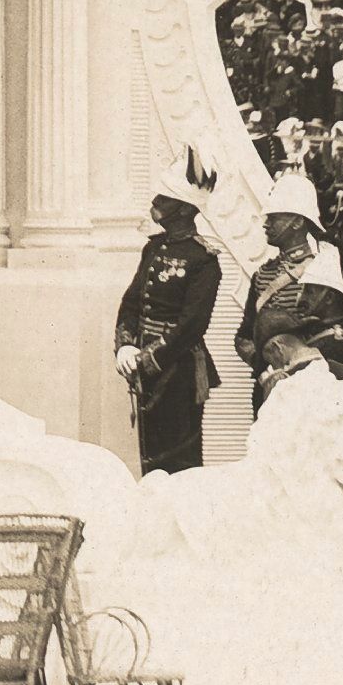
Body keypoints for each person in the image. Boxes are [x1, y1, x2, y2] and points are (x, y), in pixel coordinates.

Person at [117, 194, 224, 480]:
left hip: (179, 369)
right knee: (150, 454)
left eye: (164, 199)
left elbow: (192, 325)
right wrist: (125, 344)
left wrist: (147, 358)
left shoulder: (203, 259)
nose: (155, 202)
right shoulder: (153, 247)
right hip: (143, 365)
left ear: (186, 208)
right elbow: (132, 302)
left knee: (177, 459)